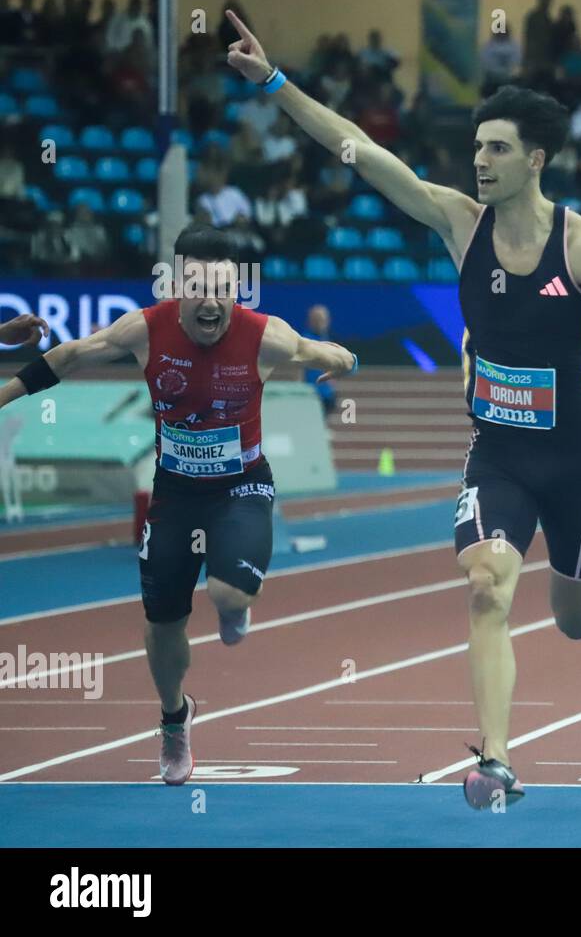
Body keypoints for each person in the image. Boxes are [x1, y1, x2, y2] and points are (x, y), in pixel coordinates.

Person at [223, 10, 581, 808]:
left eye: (497, 148)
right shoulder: (462, 223)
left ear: (535, 159)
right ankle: (496, 759)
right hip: (496, 454)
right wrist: (275, 83)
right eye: (477, 146)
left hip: (575, 462)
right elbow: (361, 152)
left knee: (573, 621)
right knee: (489, 585)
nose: (480, 160)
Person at [0, 222, 358, 786]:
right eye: (197, 287)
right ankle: (175, 718)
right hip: (174, 493)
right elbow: (69, 356)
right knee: (163, 620)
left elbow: (319, 352)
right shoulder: (144, 331)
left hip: (241, 486)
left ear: (237, 290)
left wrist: (341, 357)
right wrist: (6, 394)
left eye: (223, 288)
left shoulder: (265, 336)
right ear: (177, 287)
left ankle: (236, 603)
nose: (210, 302)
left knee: (227, 592)